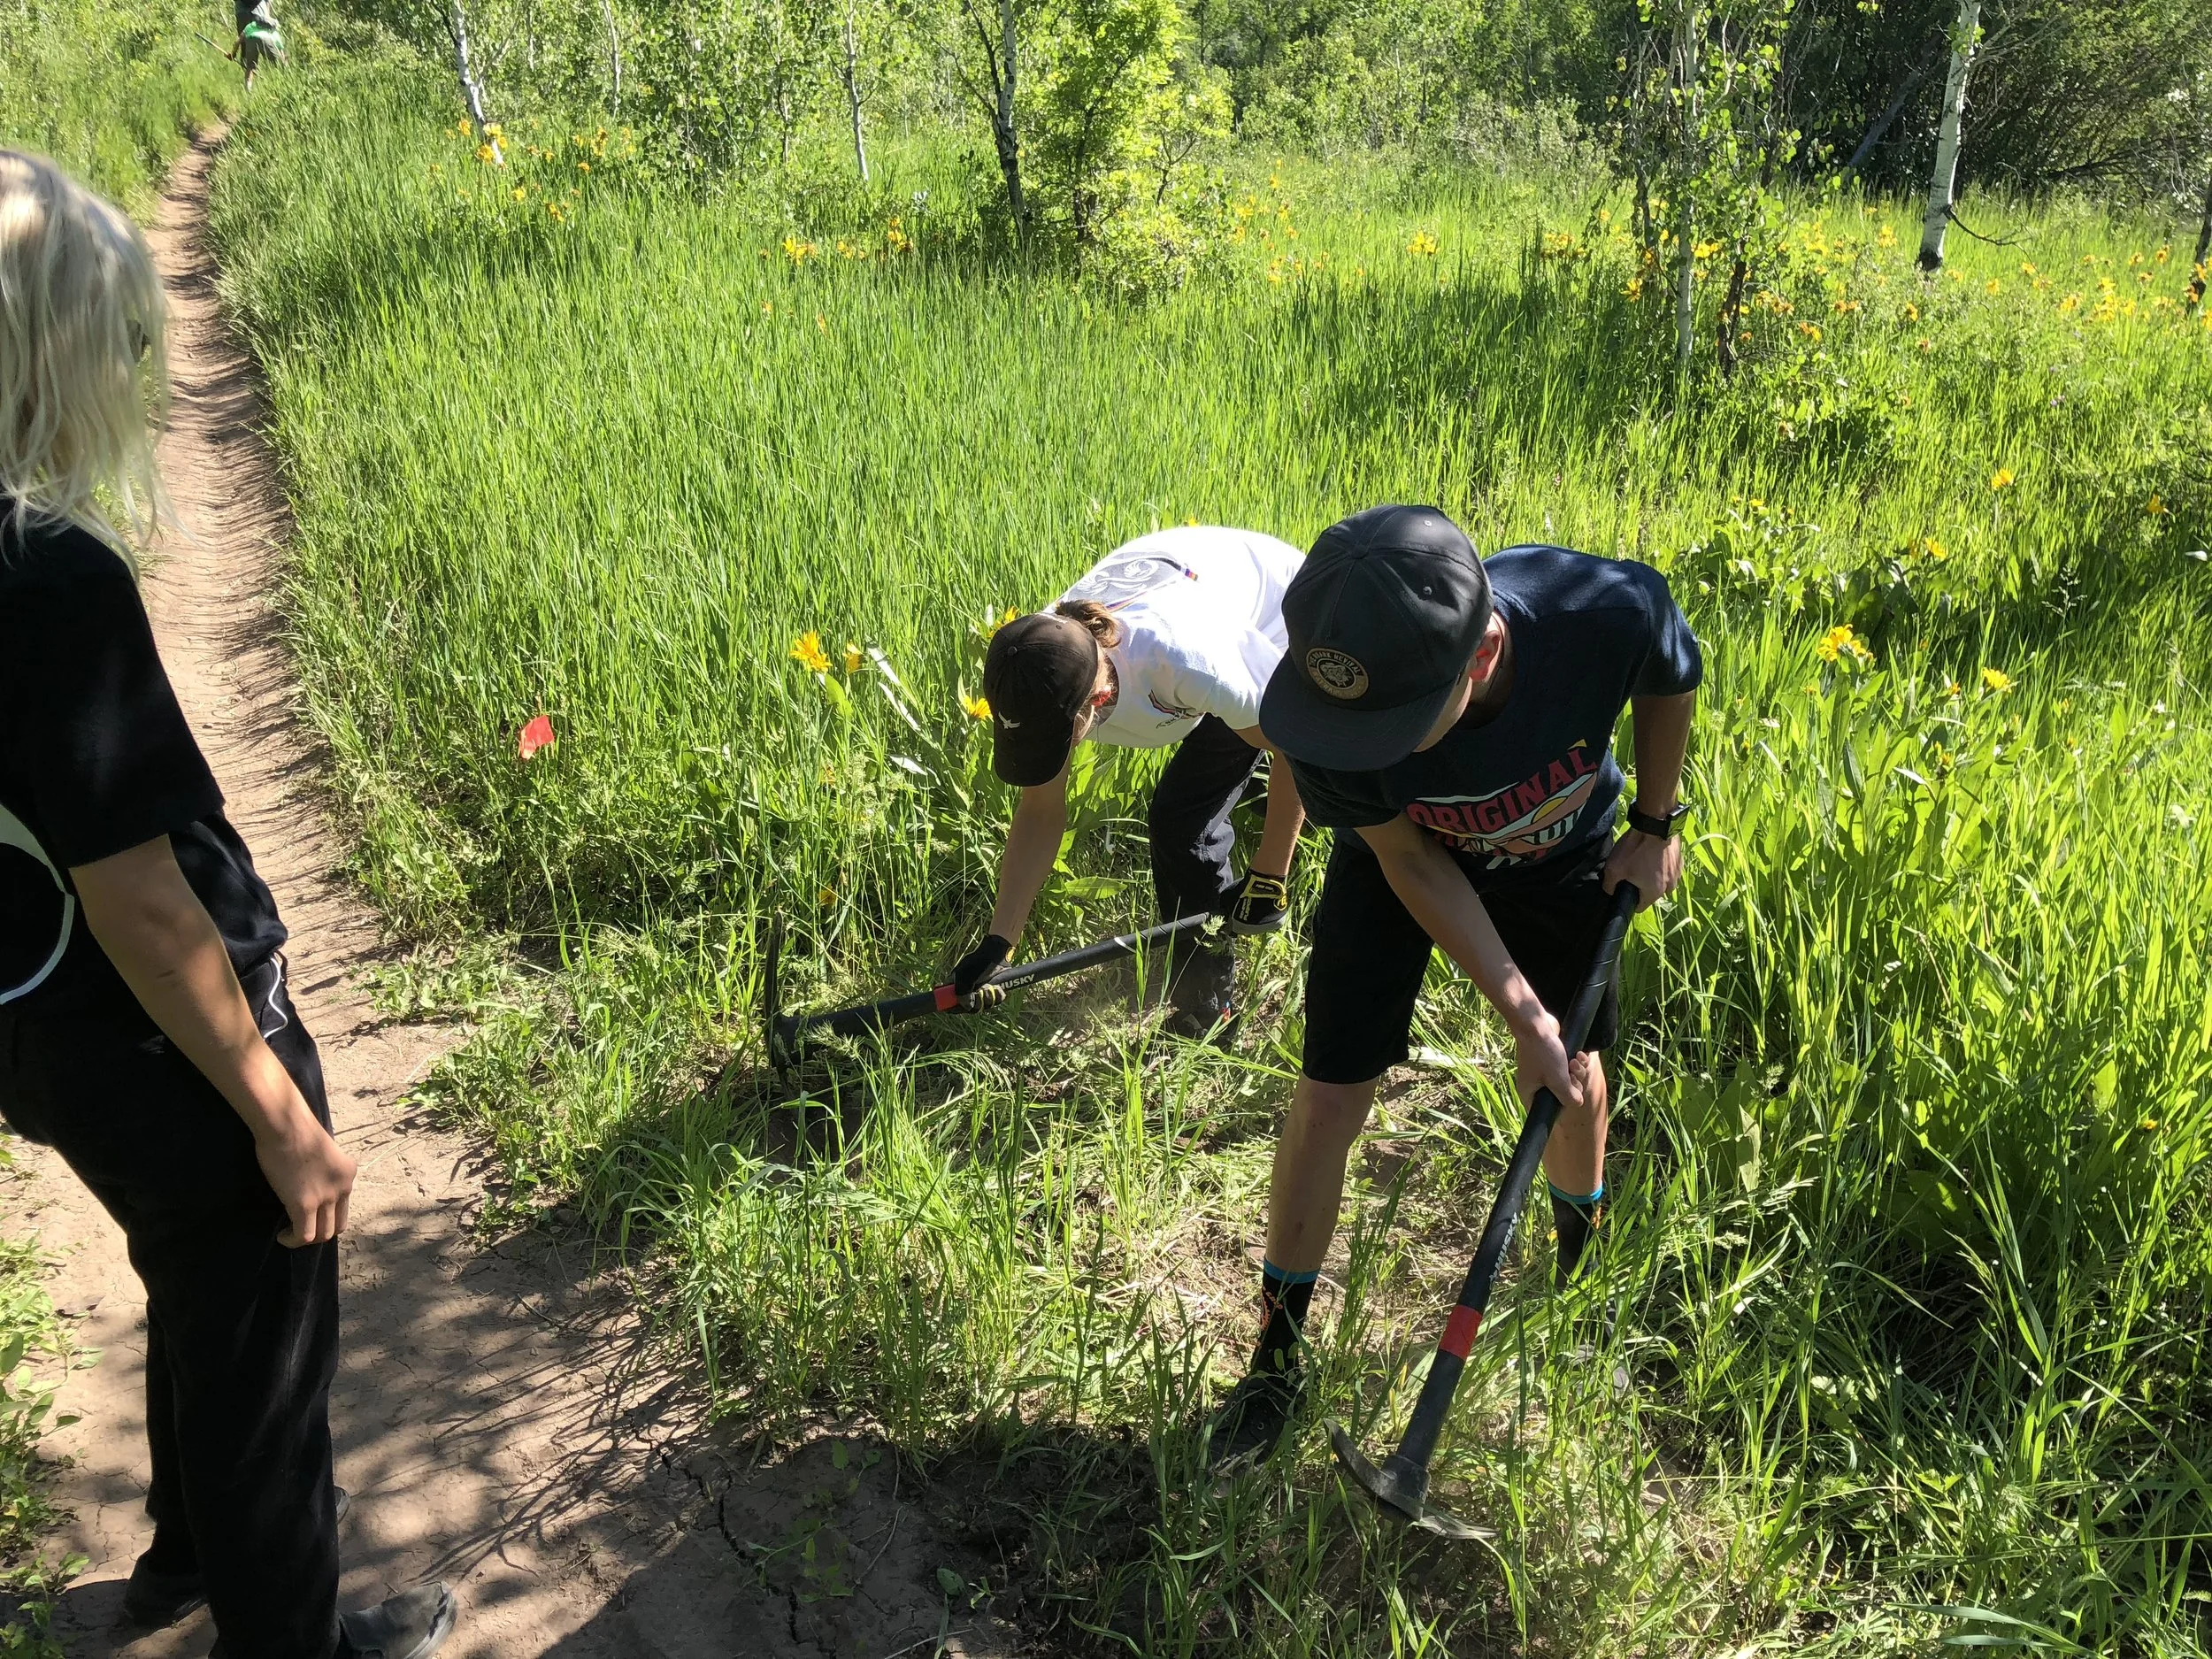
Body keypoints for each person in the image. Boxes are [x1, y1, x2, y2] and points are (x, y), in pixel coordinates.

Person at [0, 151, 454, 1658]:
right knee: (265, 1341)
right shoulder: (45, 578)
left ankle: (184, 1561)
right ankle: (289, 1636)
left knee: (186, 1269)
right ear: (46, 353)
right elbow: (140, 896)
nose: (133, 367)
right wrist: (276, 1110)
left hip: (38, 1025)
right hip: (149, 1031)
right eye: (117, 336)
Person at [1205, 503, 1701, 1468]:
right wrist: (1521, 1009)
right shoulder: (1332, 718)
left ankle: (1579, 1288)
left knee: (1572, 1080)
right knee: (1328, 1098)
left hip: (1559, 853)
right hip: (1399, 866)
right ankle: (1276, 1357)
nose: (1356, 742)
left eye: (1391, 726)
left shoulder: (1598, 612)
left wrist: (1655, 819)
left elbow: (1668, 669)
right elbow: (1410, 862)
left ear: (1482, 655)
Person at [958, 525, 1310, 1036]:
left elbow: (1295, 749)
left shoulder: (1188, 662)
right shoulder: (1040, 665)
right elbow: (1039, 811)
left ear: (1097, 702)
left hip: (1280, 614)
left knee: (1182, 824)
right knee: (1214, 782)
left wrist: (1270, 876)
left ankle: (1206, 1007)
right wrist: (1000, 942)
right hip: (1203, 590)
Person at [230, 0, 287, 89]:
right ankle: (277, 83)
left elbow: (239, 40)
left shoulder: (250, 26)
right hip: (259, 13)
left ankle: (248, 85)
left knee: (249, 63)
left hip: (242, 14)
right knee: (277, 64)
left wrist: (233, 54)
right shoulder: (272, 30)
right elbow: (279, 46)